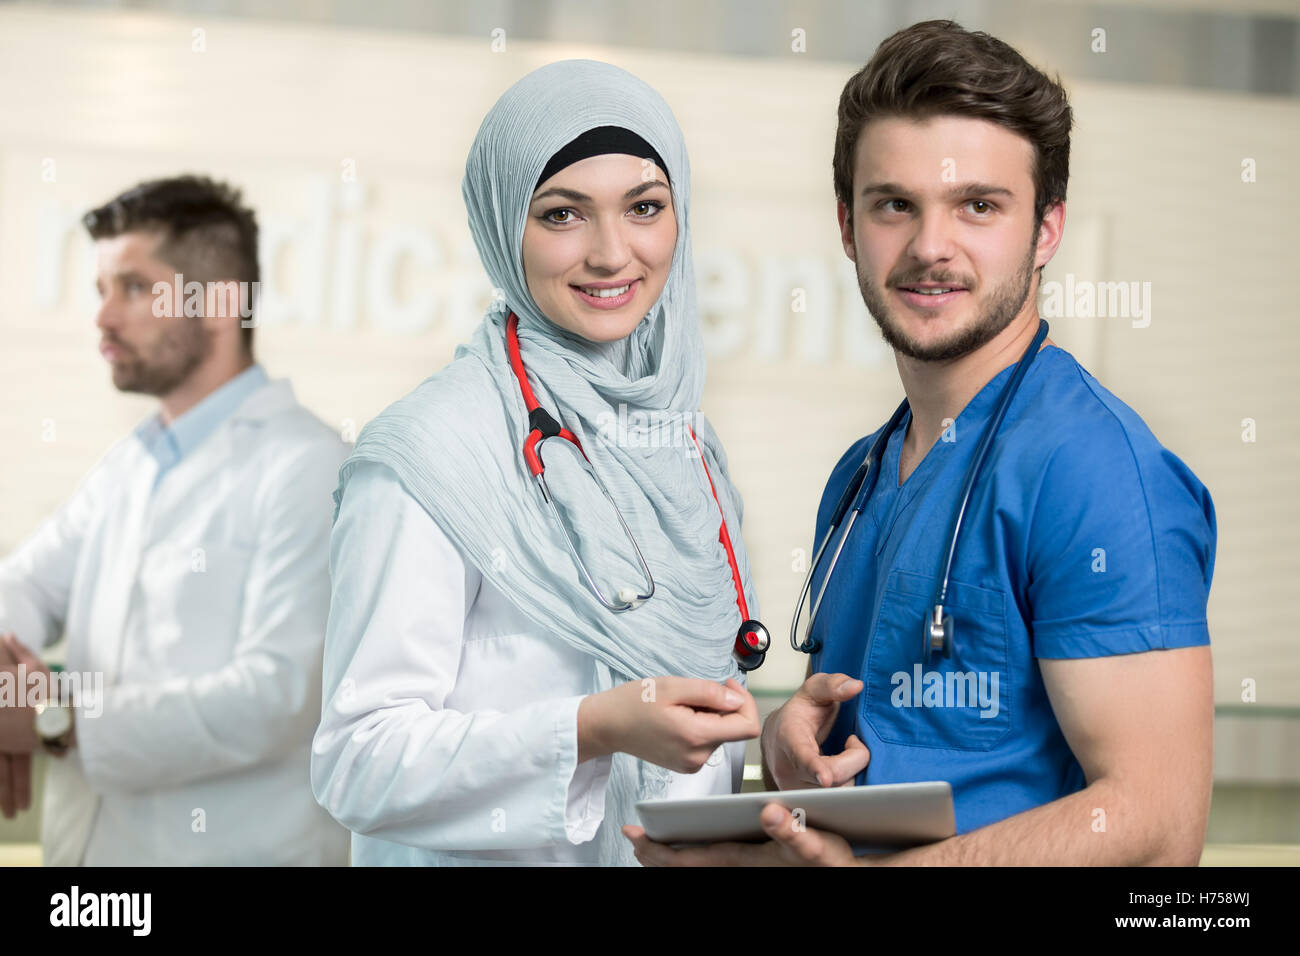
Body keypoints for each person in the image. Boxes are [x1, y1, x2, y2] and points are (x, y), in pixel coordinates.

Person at [625, 19, 1216, 866]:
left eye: (979, 205)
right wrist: (792, 769)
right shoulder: (861, 475)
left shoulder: (1095, 472)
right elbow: (902, 754)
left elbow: (1155, 820)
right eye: (895, 204)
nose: (930, 247)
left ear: (1047, 229)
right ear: (846, 225)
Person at [311, 59, 762, 866]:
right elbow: (357, 760)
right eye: (562, 215)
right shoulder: (430, 452)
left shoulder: (684, 445)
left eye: (645, 208)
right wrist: (590, 731)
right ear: (500, 226)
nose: (612, 252)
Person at [0, 175, 349, 865]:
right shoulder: (129, 464)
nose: (103, 318)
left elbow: (278, 697)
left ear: (219, 304)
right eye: (102, 290)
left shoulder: (310, 468)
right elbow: (24, 590)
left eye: (133, 288)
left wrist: (50, 720)